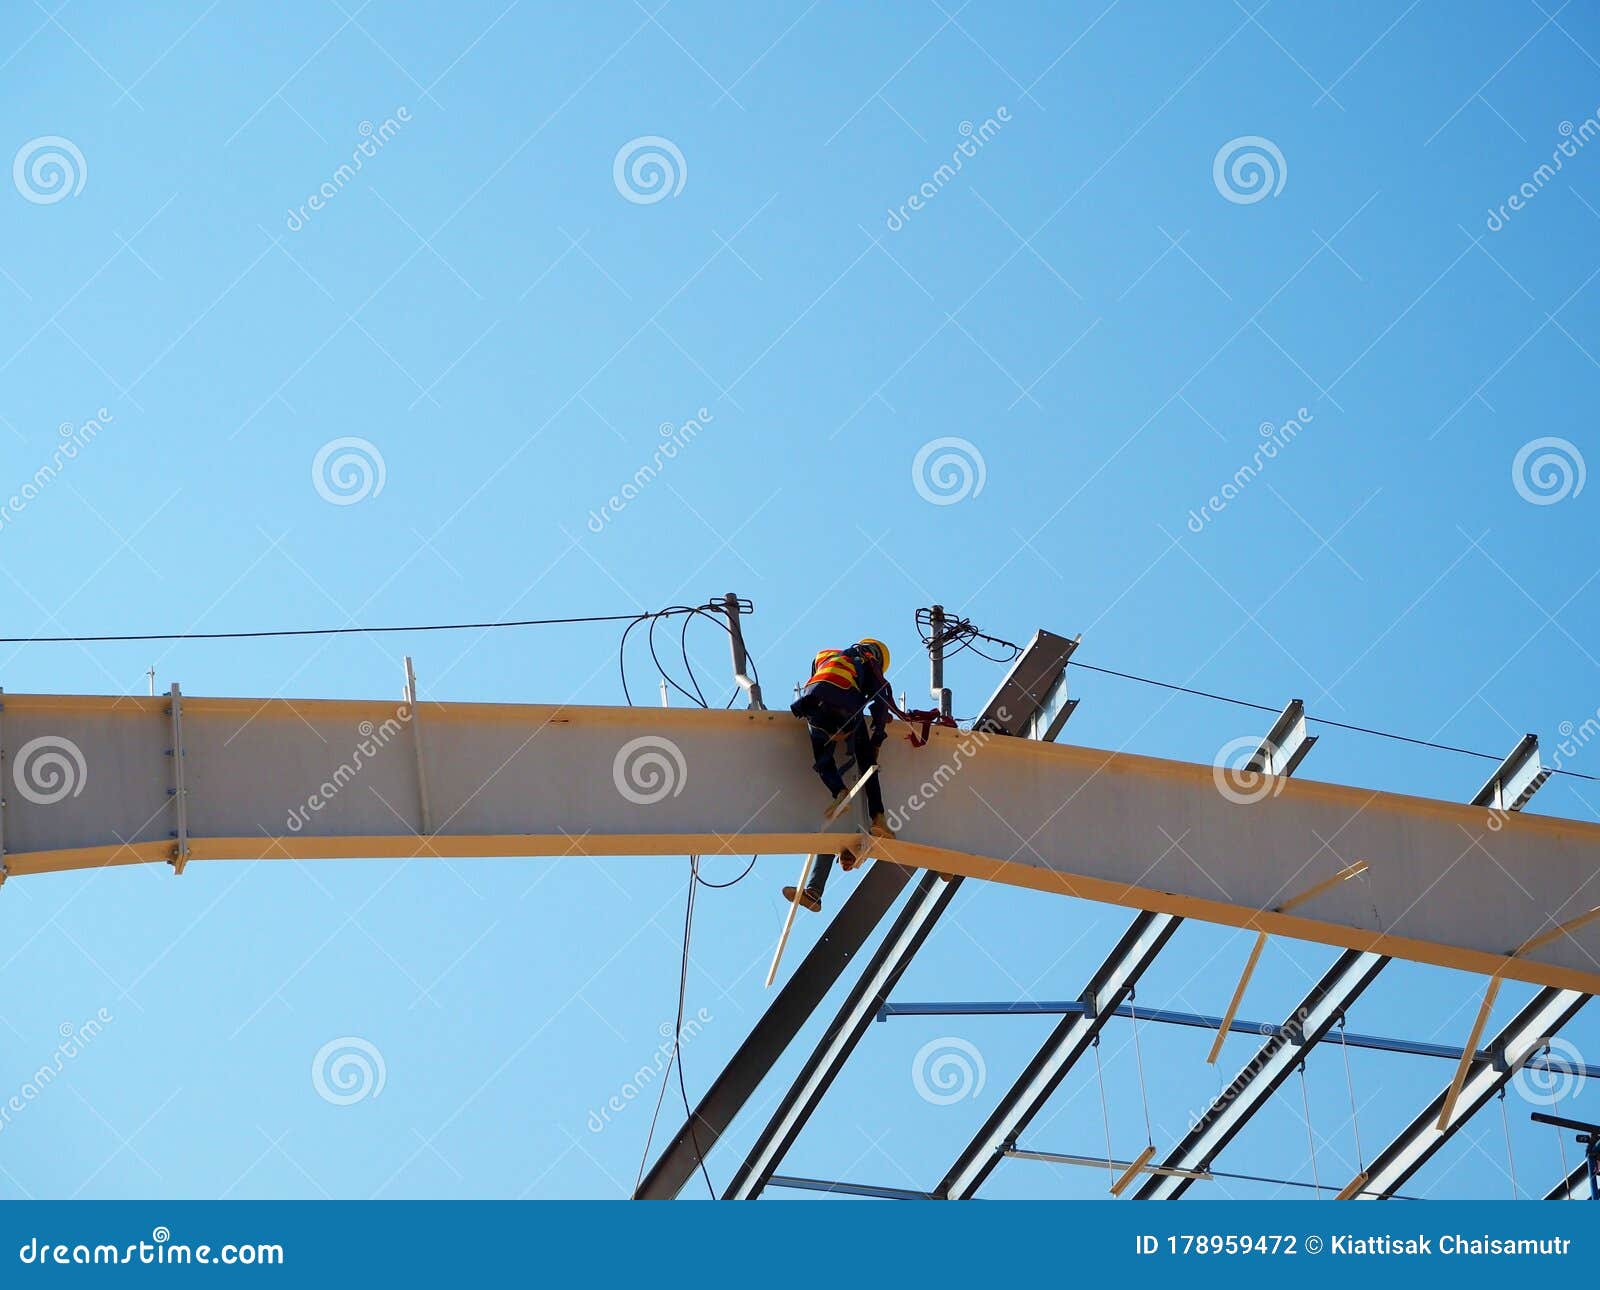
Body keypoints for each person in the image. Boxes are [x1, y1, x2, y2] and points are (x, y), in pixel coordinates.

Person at [782, 638, 895, 913]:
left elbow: (818, 682)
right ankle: (879, 817)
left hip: (815, 711)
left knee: (823, 762)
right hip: (847, 714)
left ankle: (837, 791)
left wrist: (851, 852)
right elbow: (880, 703)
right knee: (868, 762)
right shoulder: (868, 663)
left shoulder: (826, 656)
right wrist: (878, 736)